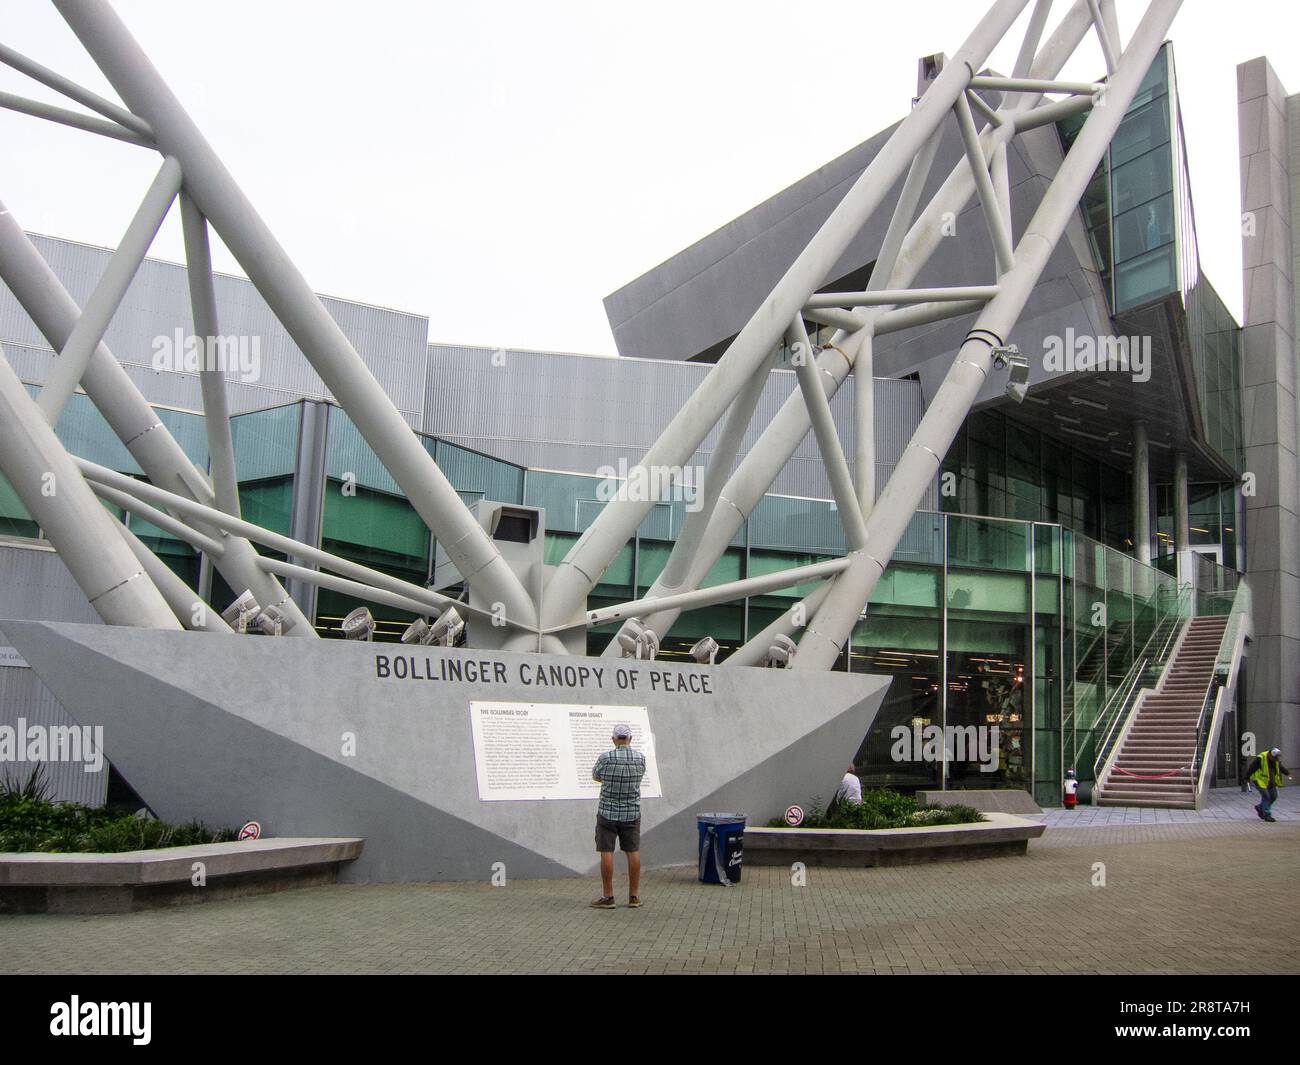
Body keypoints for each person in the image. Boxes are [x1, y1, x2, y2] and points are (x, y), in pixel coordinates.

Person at [590, 723, 646, 909]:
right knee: (633, 852)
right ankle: (634, 896)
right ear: (630, 739)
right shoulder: (640, 759)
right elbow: (639, 777)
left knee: (606, 852)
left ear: (614, 739)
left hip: (607, 811)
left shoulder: (605, 758)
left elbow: (596, 776)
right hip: (631, 812)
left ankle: (608, 897)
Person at [1244, 746, 1292, 822]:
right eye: (1274, 757)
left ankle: (1260, 807)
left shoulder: (1275, 759)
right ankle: (1267, 815)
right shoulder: (1261, 758)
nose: (1275, 759)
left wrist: (1288, 773)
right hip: (1260, 780)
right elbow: (1251, 767)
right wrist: (1247, 777)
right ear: (1270, 755)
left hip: (1271, 781)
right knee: (1266, 796)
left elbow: (1280, 767)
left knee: (1274, 796)